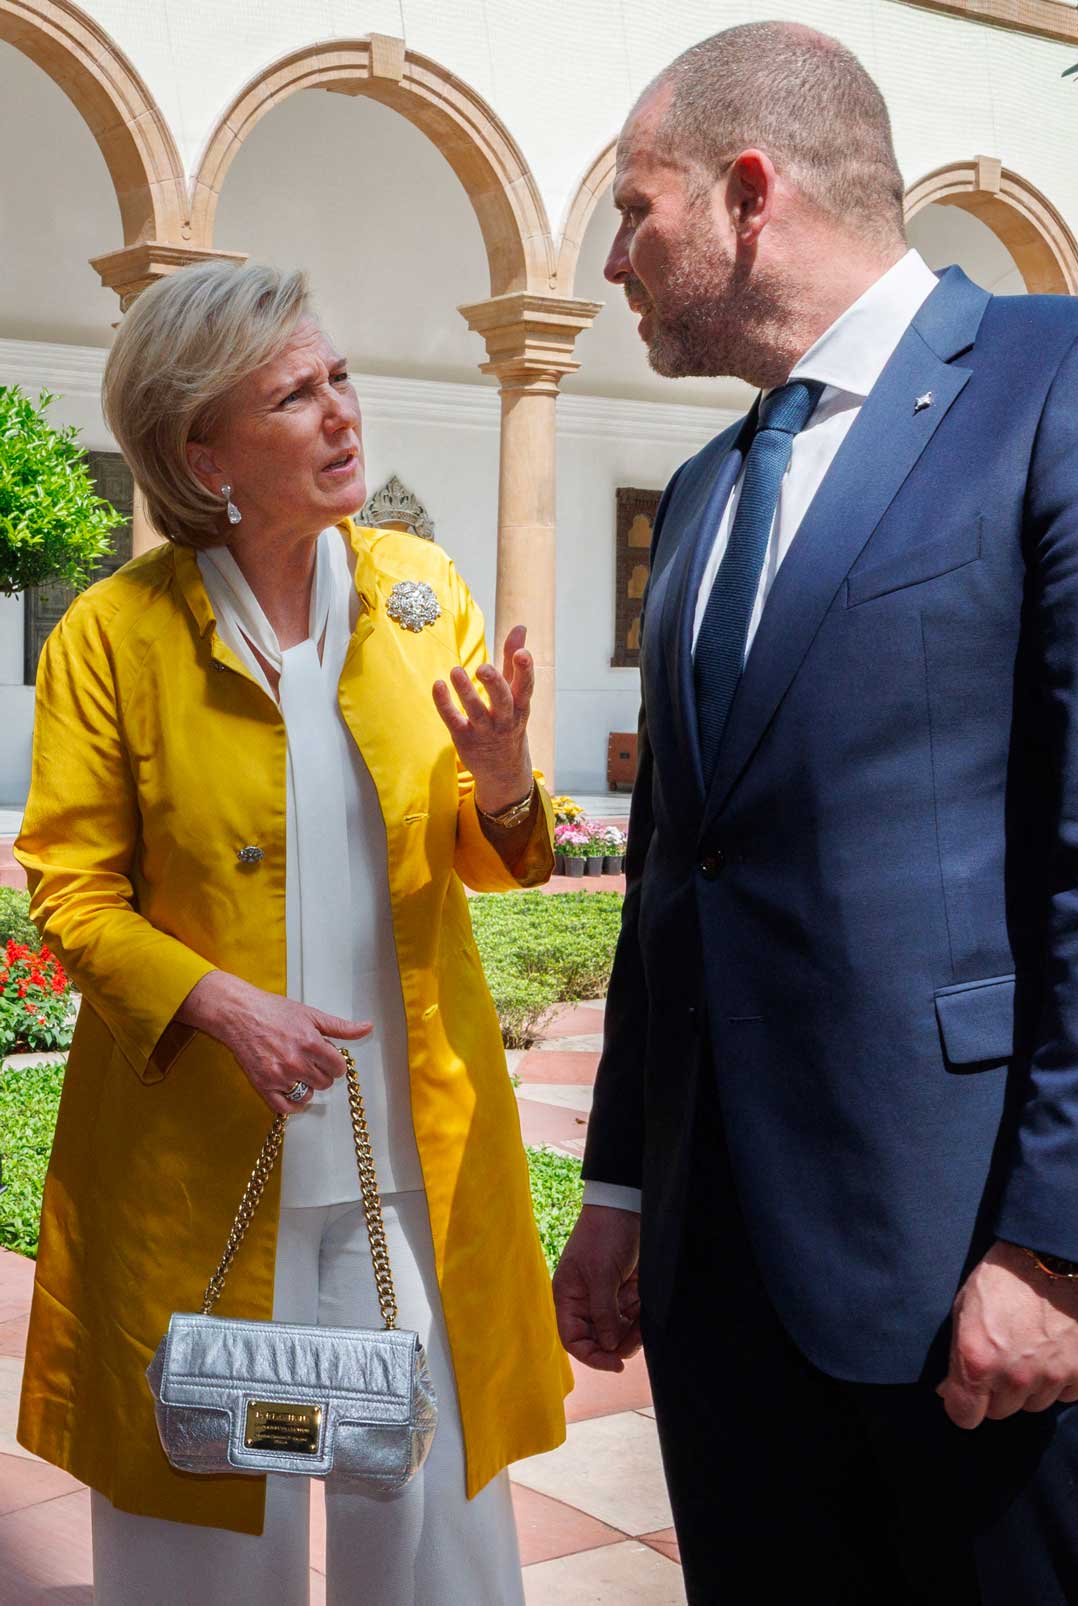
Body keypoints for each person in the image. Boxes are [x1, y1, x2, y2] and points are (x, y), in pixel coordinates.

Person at [552, 21, 1078, 1604]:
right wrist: (621, 1189)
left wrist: (1063, 1244)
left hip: (982, 1276)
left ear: (750, 192)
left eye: (632, 208)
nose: (612, 258)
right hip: (728, 1286)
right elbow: (677, 875)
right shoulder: (707, 492)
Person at [15, 259, 571, 1606]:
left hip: (403, 1172)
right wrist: (223, 1004)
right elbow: (70, 891)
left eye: (338, 380)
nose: (340, 415)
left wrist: (502, 781)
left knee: (427, 1522)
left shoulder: (421, 589)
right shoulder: (112, 637)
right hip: (199, 1175)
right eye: (293, 395)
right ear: (203, 452)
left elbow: (495, 862)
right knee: (206, 1521)